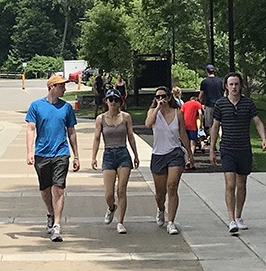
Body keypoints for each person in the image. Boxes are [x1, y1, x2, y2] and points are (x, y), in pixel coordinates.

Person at [209, 72, 266, 235]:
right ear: (226, 87)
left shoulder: (248, 104)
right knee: (230, 184)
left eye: (236, 84)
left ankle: (239, 215)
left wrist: (264, 139)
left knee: (241, 184)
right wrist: (212, 148)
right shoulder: (220, 104)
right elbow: (215, 127)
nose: (234, 87)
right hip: (228, 148)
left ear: (240, 86)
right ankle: (231, 220)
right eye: (231, 84)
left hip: (244, 148)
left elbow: (257, 122)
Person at [25, 74, 80, 242]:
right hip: (42, 153)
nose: (64, 89)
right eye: (62, 86)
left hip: (61, 153)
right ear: (52, 87)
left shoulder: (66, 108)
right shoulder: (36, 106)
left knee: (59, 188)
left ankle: (57, 225)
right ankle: (50, 212)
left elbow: (71, 131)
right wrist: (29, 151)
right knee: (45, 189)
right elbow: (30, 129)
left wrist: (76, 155)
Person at [145, 85, 194, 235]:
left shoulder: (177, 113)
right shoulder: (153, 112)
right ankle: (161, 209)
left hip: (175, 153)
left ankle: (171, 222)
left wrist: (190, 154)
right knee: (160, 193)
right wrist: (157, 109)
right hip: (158, 155)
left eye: (164, 96)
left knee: (172, 186)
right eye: (158, 97)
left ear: (169, 97)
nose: (161, 99)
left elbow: (183, 134)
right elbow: (148, 124)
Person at [90, 87, 140, 234]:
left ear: (120, 102)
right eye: (110, 100)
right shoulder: (101, 119)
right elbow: (97, 138)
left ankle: (121, 222)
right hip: (108, 154)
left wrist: (135, 154)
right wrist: (93, 157)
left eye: (116, 100)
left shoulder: (126, 117)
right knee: (109, 194)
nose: (113, 102)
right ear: (106, 101)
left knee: (121, 190)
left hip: (123, 153)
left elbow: (131, 136)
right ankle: (111, 207)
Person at [199, 65, 225, 148]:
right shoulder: (220, 81)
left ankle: (213, 143)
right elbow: (224, 93)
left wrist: (201, 103)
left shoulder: (204, 82)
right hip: (220, 105)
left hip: (209, 105)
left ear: (207, 71)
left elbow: (201, 96)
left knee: (211, 125)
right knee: (220, 124)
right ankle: (222, 139)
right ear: (214, 71)